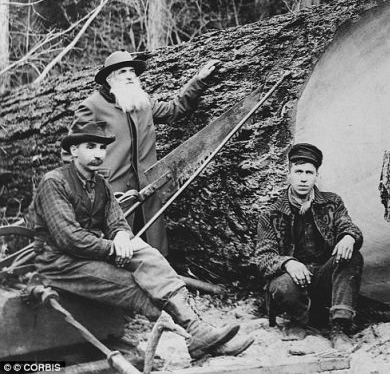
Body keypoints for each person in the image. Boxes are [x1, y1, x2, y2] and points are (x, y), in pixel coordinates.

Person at [30, 122, 253, 359]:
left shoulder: (100, 185)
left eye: (102, 148)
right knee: (134, 283)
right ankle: (195, 337)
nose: (98, 154)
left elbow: (116, 222)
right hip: (60, 263)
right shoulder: (54, 182)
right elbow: (69, 239)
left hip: (91, 253)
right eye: (90, 146)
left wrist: (122, 237)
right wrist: (113, 248)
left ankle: (199, 333)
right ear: (74, 151)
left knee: (149, 256)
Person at [71, 50, 220, 256]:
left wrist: (198, 81)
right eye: (123, 71)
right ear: (109, 78)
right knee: (115, 252)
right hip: (112, 195)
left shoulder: (141, 101)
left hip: (147, 191)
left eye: (132, 70)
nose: (130, 75)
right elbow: (74, 151)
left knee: (152, 251)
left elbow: (174, 109)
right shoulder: (92, 106)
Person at [251, 143, 364, 351]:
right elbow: (264, 257)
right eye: (298, 171)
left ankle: (340, 326)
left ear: (316, 176)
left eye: (309, 173)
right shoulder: (271, 214)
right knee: (281, 284)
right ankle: (297, 321)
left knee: (353, 256)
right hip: (293, 282)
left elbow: (346, 224)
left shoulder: (332, 202)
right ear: (289, 174)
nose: (303, 178)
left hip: (323, 277)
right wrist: (288, 263)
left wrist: (349, 236)